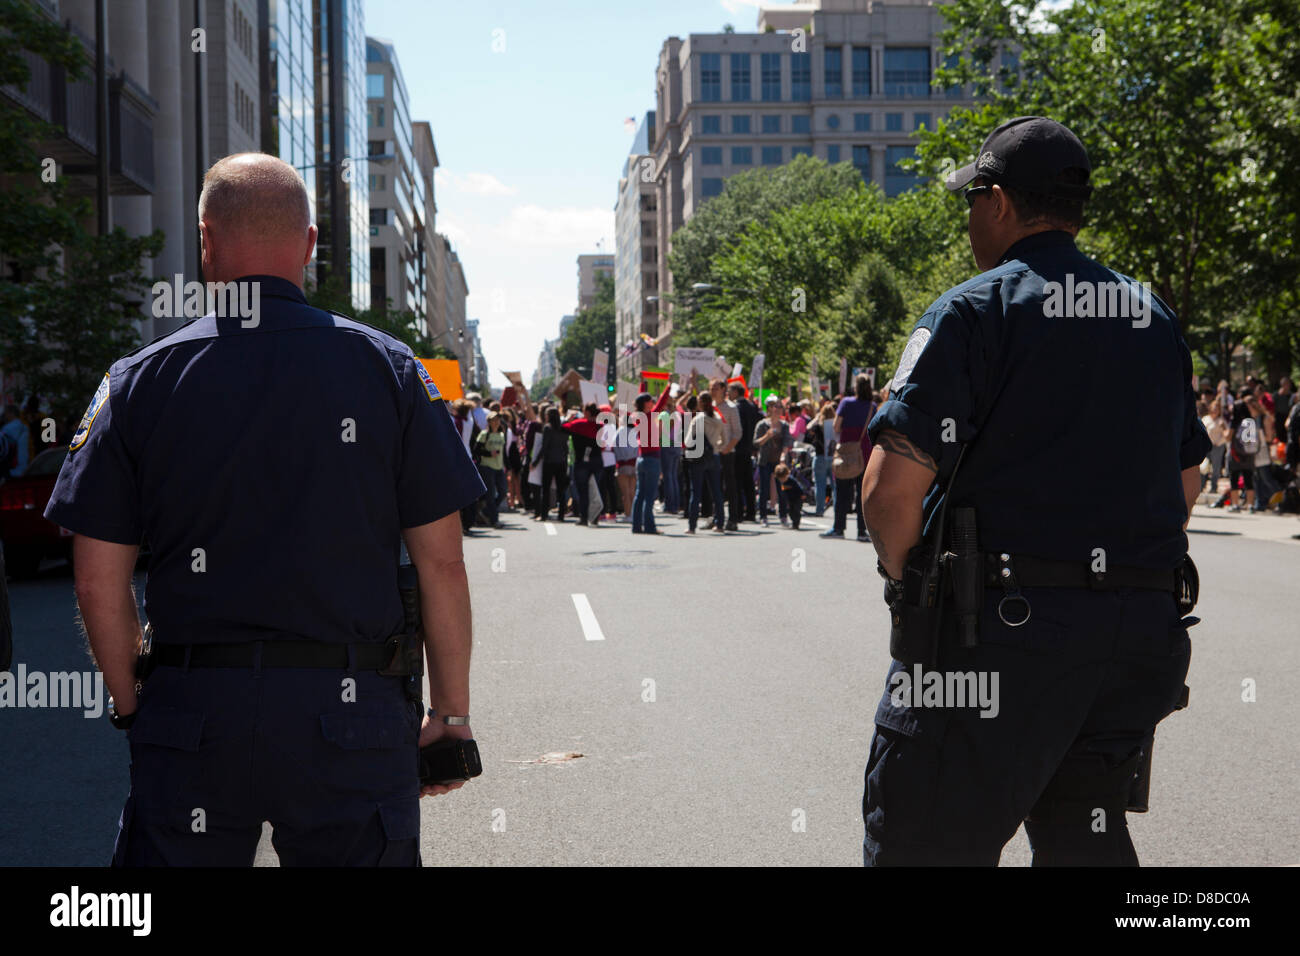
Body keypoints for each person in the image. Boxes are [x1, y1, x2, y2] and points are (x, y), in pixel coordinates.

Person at [43, 152, 485, 866]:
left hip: (192, 715)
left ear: (205, 241)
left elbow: (97, 581)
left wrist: (136, 708)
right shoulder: (392, 370)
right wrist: (451, 717)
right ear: (309, 246)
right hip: (352, 715)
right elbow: (443, 565)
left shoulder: (135, 383)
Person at [860, 117, 1208, 866]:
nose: (969, 217)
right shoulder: (1151, 318)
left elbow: (890, 493)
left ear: (998, 202)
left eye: (971, 199)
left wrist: (916, 585)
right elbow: (1186, 485)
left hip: (999, 640)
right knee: (1085, 839)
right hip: (1136, 644)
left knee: (920, 840)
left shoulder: (973, 312)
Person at [823, 375, 874, 541]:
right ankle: (862, 531)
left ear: (856, 387)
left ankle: (839, 528)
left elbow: (836, 426)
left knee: (842, 492)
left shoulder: (846, 403)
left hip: (846, 453)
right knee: (862, 495)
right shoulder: (872, 406)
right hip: (864, 454)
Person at [631, 385, 672, 535]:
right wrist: (668, 386)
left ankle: (636, 526)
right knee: (649, 496)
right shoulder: (650, 416)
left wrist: (642, 384)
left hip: (641, 459)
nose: (653, 403)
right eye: (650, 401)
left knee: (639, 494)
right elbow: (662, 402)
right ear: (646, 404)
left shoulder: (638, 418)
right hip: (652, 459)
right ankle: (649, 527)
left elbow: (643, 398)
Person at [683, 391, 726, 534]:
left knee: (695, 492)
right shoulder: (719, 420)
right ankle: (720, 524)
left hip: (698, 457)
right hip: (714, 456)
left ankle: (692, 526)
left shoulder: (698, 419)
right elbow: (724, 441)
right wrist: (715, 446)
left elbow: (688, 441)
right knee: (717, 492)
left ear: (700, 403)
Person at [753, 396, 792, 527]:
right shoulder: (762, 424)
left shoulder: (785, 425)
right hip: (765, 461)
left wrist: (783, 456)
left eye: (780, 407)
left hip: (778, 462)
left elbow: (787, 442)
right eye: (775, 406)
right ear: (770, 408)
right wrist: (767, 436)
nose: (777, 409)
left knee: (782, 489)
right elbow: (756, 443)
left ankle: (783, 516)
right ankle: (763, 516)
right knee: (764, 490)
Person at [731, 383, 761, 522]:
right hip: (748, 448)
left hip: (737, 448)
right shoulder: (751, 406)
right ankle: (751, 511)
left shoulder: (736, 407)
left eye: (730, 391)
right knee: (748, 482)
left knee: (736, 482)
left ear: (736, 391)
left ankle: (738, 512)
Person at [535, 406, 570, 521]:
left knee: (546, 490)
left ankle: (544, 514)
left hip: (549, 462)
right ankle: (561, 515)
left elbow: (544, 447)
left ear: (548, 416)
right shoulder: (563, 428)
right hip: (562, 462)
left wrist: (535, 462)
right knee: (561, 490)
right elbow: (566, 447)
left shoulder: (547, 428)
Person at [1227, 387, 1259, 512]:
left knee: (1234, 479)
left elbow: (1228, 437)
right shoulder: (1252, 420)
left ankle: (1235, 505)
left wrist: (1224, 427)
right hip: (1249, 454)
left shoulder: (1234, 422)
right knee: (1249, 479)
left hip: (1235, 454)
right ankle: (1250, 505)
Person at [474, 412, 507, 529]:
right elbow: (476, 450)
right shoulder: (484, 434)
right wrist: (489, 453)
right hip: (487, 467)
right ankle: (494, 520)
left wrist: (506, 465)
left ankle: (486, 511)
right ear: (489, 422)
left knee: (503, 492)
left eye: (498, 420)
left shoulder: (501, 435)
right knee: (491, 495)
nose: (496, 422)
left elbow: (504, 452)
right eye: (493, 420)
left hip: (499, 467)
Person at [1201, 397, 1230, 500]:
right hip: (1205, 446)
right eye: (1213, 408)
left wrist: (1219, 442)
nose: (1214, 410)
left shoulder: (1221, 421)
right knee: (1203, 466)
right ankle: (1201, 486)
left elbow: (1226, 435)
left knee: (1216, 468)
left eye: (1216, 408)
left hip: (1217, 447)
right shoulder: (1205, 419)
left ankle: (1214, 487)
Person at [0, 404, 30, 479]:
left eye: (6, 413)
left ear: (11, 413)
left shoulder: (6, 430)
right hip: (24, 468)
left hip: (10, 470)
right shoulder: (25, 428)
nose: (5, 416)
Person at [774, 463, 805, 529]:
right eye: (780, 479)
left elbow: (799, 487)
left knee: (796, 511)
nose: (782, 480)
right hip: (790, 499)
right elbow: (784, 492)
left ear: (787, 475)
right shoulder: (782, 483)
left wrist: (802, 494)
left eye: (783, 478)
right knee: (790, 512)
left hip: (797, 498)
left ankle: (796, 524)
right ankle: (794, 521)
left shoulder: (792, 481)